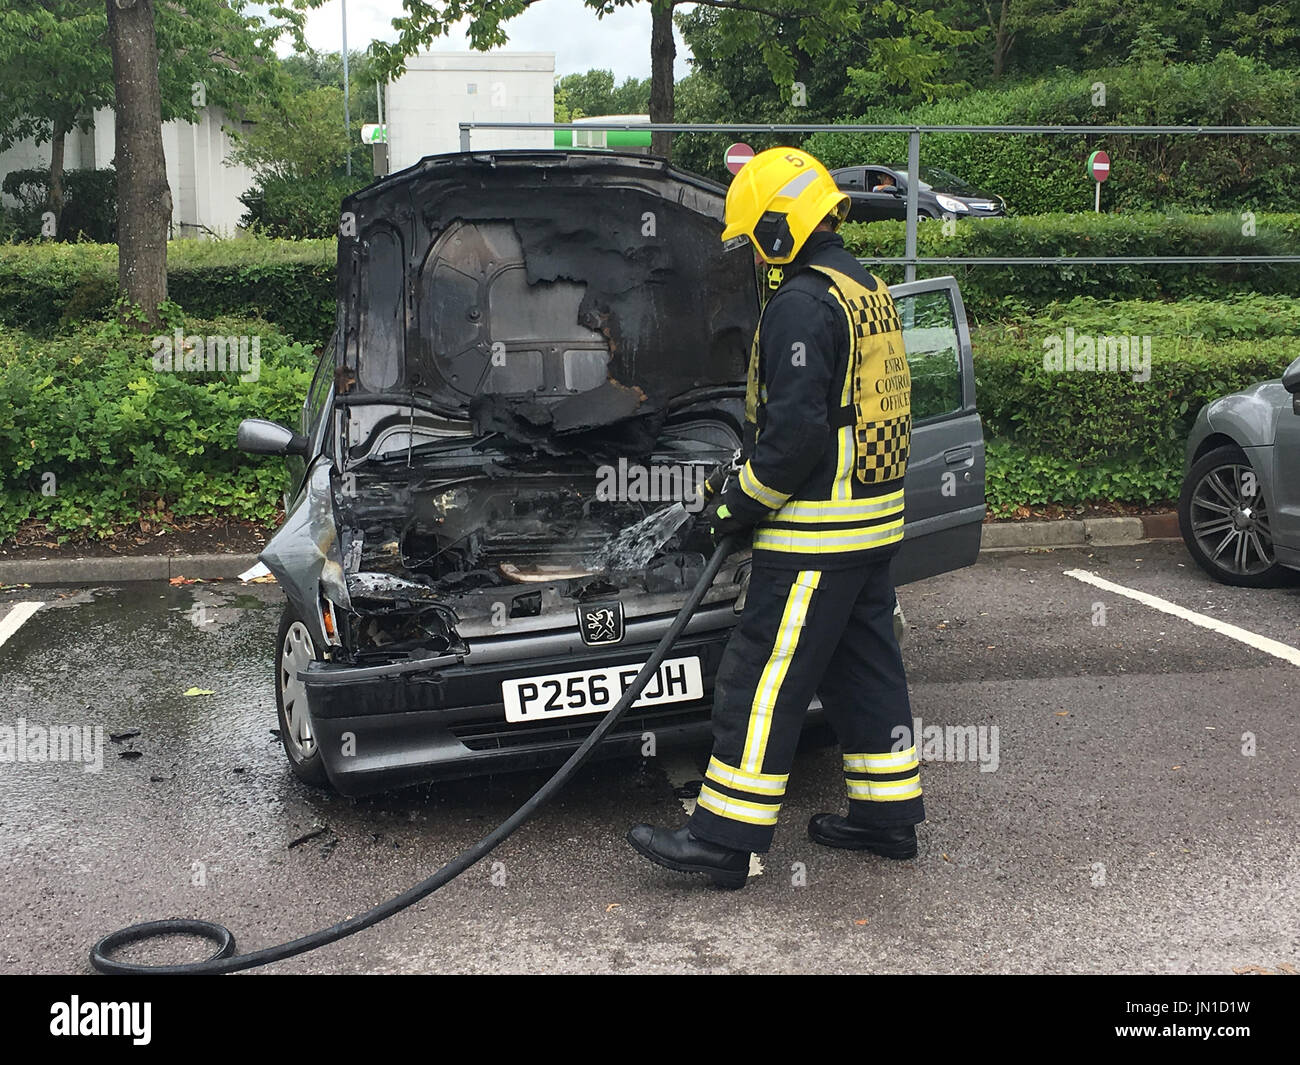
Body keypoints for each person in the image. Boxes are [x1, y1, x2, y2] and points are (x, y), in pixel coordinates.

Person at [627, 147, 920, 889]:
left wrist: (733, 504)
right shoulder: (867, 289)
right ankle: (888, 817)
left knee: (760, 678)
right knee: (866, 670)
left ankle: (724, 840)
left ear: (780, 228)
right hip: (874, 525)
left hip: (817, 536)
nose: (754, 256)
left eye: (756, 237)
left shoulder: (801, 303)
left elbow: (793, 444)